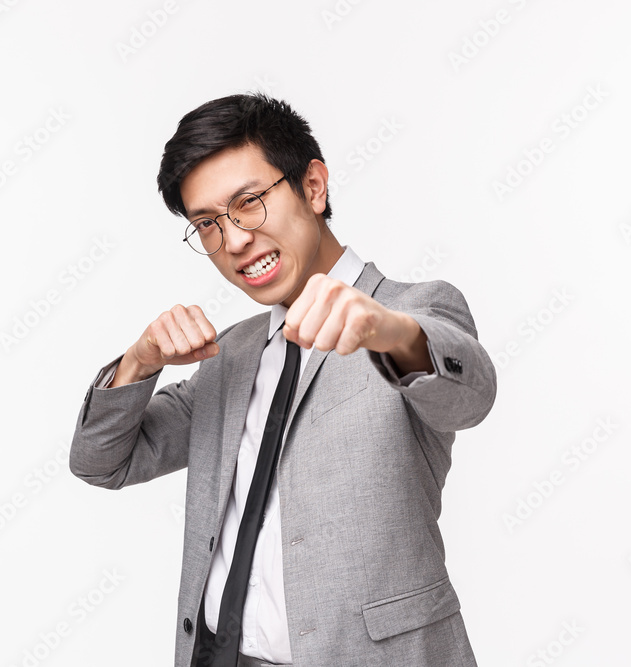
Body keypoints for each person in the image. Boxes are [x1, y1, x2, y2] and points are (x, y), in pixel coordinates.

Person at [69, 93, 497, 667]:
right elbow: (102, 461)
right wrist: (139, 361)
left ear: (313, 187)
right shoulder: (230, 352)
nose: (235, 241)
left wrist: (385, 331)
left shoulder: (408, 312)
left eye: (248, 203)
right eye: (209, 225)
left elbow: (468, 399)